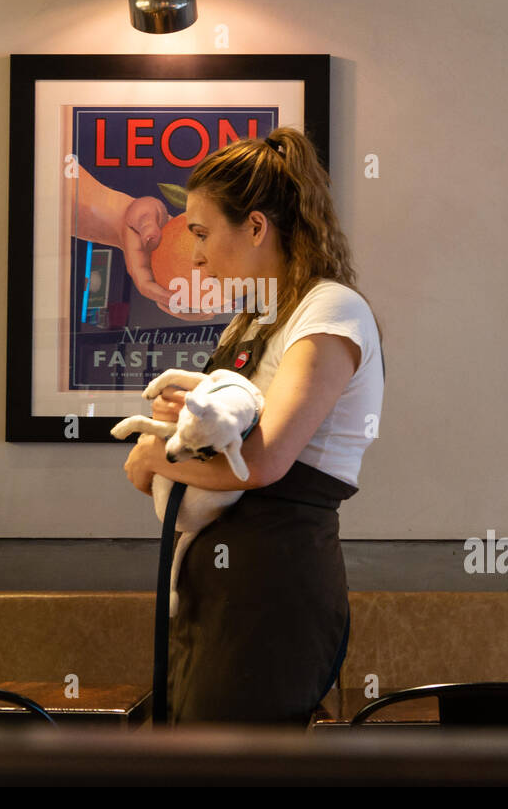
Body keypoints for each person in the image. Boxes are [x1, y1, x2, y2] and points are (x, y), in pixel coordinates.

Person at [121, 127, 385, 724]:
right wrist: (168, 442)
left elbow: (262, 462)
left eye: (202, 232)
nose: (194, 255)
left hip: (272, 588)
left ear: (257, 227)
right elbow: (202, 448)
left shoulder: (331, 310)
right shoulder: (247, 323)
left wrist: (152, 457)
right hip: (210, 592)